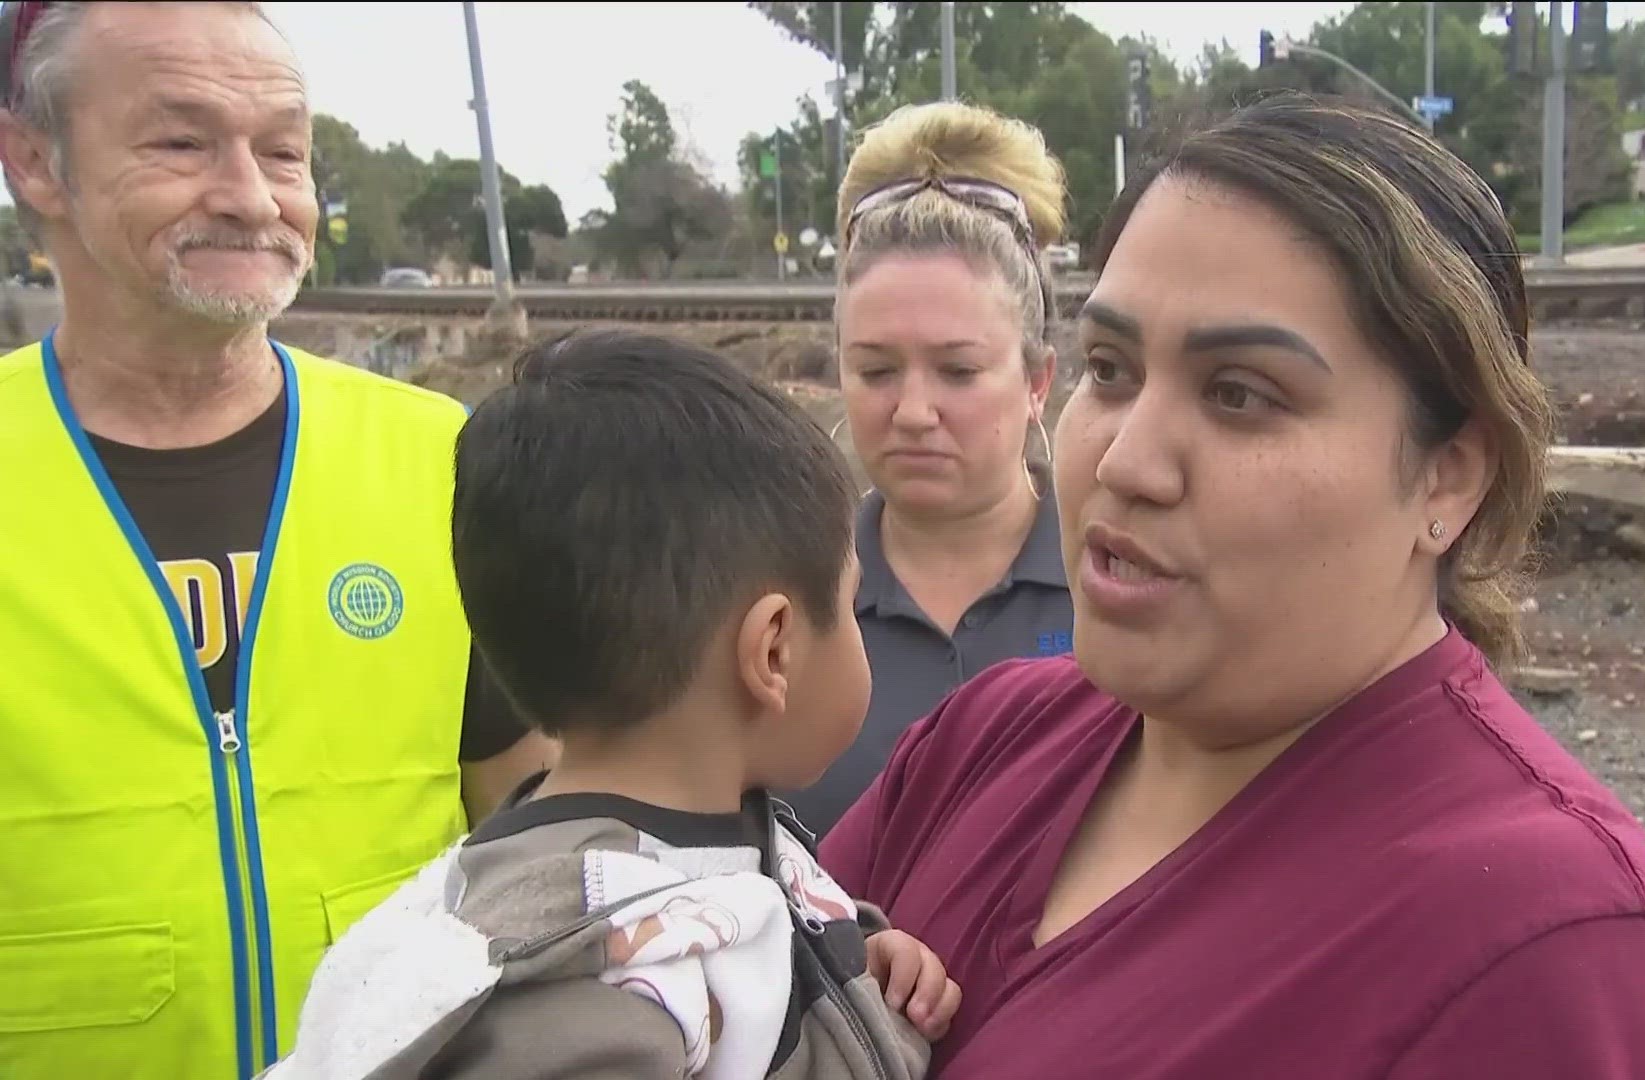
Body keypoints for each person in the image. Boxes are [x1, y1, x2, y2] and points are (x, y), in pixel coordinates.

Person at [820, 95, 1645, 1079]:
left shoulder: (1573, 963)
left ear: (1447, 476)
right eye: (1110, 371)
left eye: (1241, 394)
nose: (1126, 462)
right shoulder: (980, 741)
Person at [0, 4, 546, 1079]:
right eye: (181, 142)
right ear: (34, 162)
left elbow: (538, 820)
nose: (253, 198)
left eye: (284, 151)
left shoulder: (442, 463)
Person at [272, 330, 957, 1080]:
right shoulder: (584, 1018)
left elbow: (763, 931)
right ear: (773, 651)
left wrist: (856, 968)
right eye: (851, 605)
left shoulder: (702, 828)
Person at [783, 102, 1076, 832]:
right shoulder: (784, 606)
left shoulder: (1120, 583)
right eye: (877, 371)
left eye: (958, 370)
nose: (914, 410)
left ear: (1038, 380)